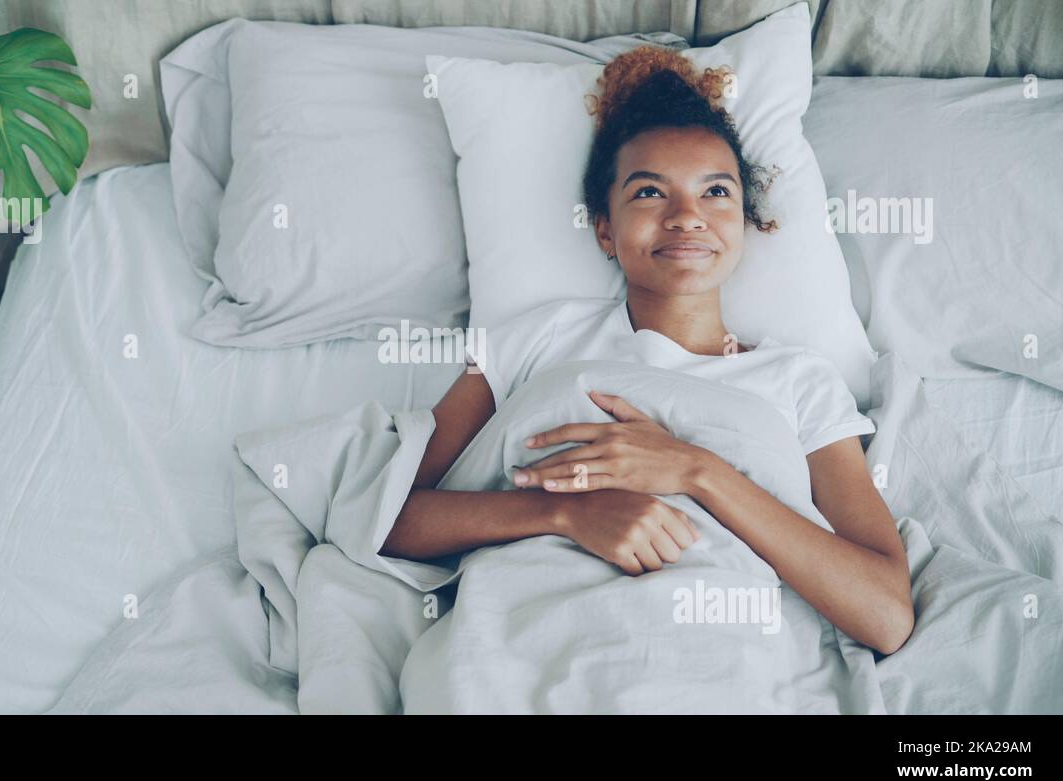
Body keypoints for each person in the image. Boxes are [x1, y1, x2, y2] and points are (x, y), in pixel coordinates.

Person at [381, 46, 914, 655]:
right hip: (537, 641)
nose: (687, 217)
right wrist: (565, 515)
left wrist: (696, 469)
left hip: (727, 654)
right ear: (605, 229)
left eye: (716, 191)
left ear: (745, 220)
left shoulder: (800, 380)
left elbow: (885, 612)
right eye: (649, 193)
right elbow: (393, 519)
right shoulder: (537, 340)